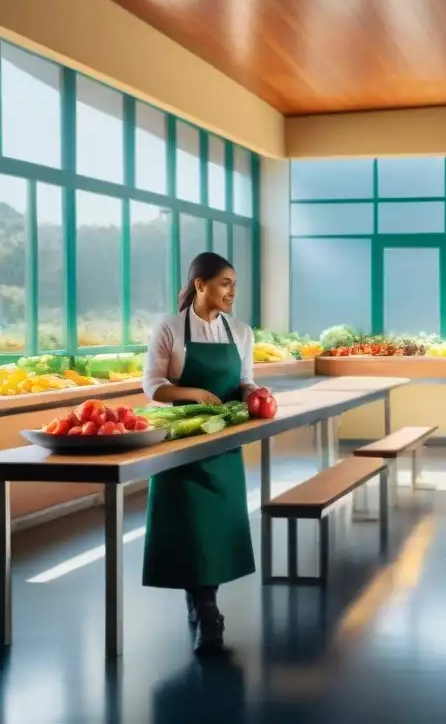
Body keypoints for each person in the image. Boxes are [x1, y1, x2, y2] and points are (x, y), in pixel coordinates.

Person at [141, 252, 258, 654]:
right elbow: (153, 386)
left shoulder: (241, 332)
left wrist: (255, 395)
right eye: (225, 283)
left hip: (223, 441)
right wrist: (193, 393)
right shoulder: (170, 329)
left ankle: (202, 601)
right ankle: (208, 609)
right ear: (200, 285)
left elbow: (244, 381)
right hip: (183, 438)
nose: (232, 292)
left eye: (234, 284)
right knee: (189, 528)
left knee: (214, 530)